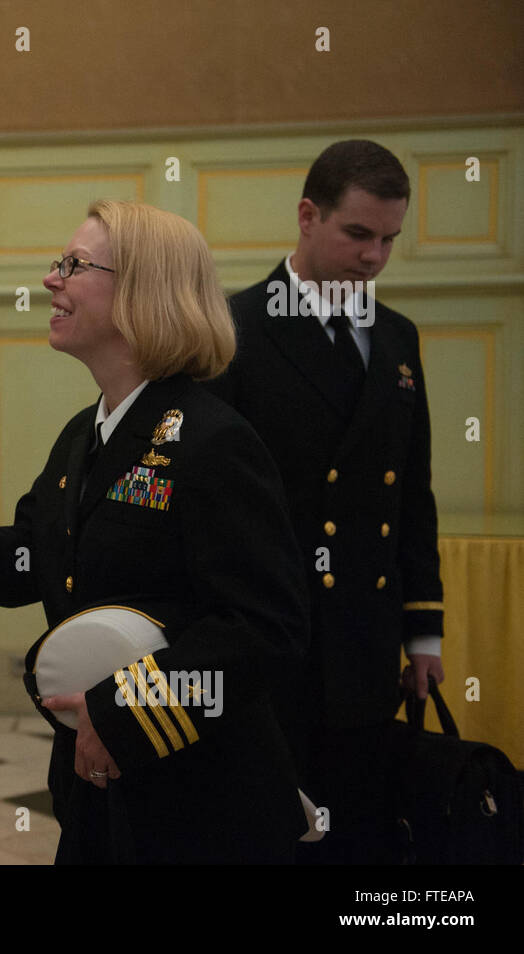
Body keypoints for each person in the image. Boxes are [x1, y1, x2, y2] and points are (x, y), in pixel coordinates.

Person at [0, 199, 310, 863]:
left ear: (141, 291)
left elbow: (264, 628)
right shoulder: (86, 433)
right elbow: (33, 560)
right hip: (100, 785)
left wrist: (123, 710)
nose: (52, 279)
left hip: (200, 797)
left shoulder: (215, 441)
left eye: (74, 265)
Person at [204, 140, 445, 863]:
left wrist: (423, 634)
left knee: (362, 837)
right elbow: (212, 511)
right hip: (279, 647)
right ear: (308, 216)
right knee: (280, 837)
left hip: (369, 646)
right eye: (358, 234)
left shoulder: (397, 338)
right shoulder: (235, 332)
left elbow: (411, 494)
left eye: (390, 240)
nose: (374, 257)